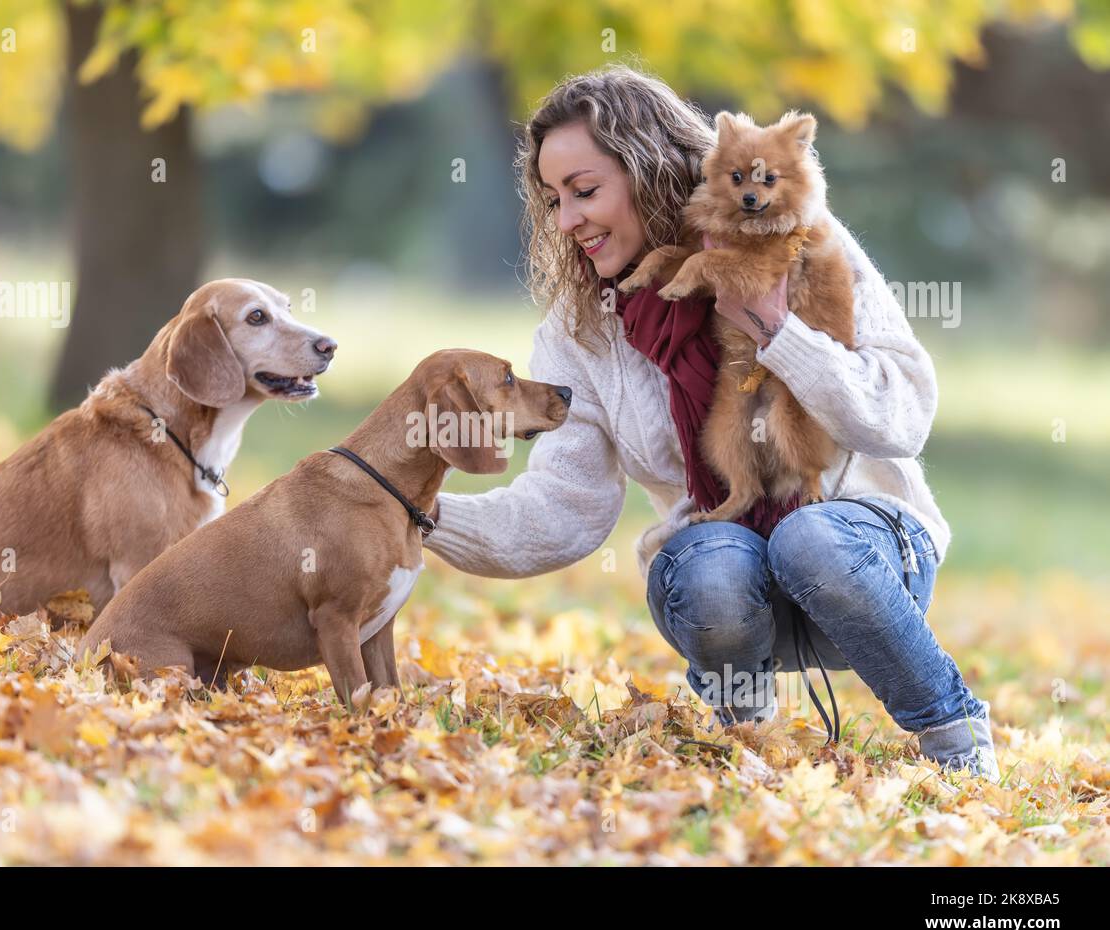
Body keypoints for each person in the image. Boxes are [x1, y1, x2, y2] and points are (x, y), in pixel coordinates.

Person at [423, 65, 1001, 783]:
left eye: (585, 191)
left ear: (650, 172)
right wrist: (418, 512)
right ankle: (748, 741)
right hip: (723, 589)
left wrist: (780, 332)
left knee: (809, 534)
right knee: (715, 561)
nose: (567, 221)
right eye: (553, 200)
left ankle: (955, 738)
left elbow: (902, 414)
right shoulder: (579, 333)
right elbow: (562, 508)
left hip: (863, 559)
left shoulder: (799, 242)